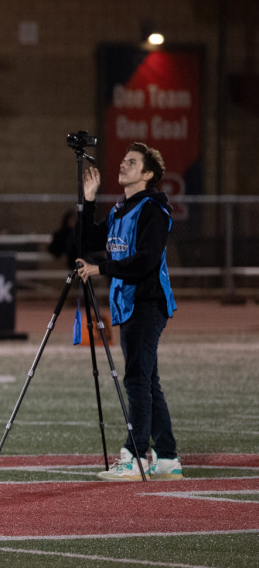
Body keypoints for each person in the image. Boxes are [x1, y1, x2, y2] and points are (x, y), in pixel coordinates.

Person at [77, 142, 183, 481]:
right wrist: (88, 200)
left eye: (132, 162)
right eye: (123, 160)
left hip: (147, 302)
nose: (123, 165)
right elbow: (86, 240)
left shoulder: (153, 209)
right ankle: (166, 457)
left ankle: (135, 456)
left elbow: (146, 261)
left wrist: (101, 268)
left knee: (137, 379)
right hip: (128, 303)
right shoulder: (121, 209)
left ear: (148, 174)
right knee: (147, 380)